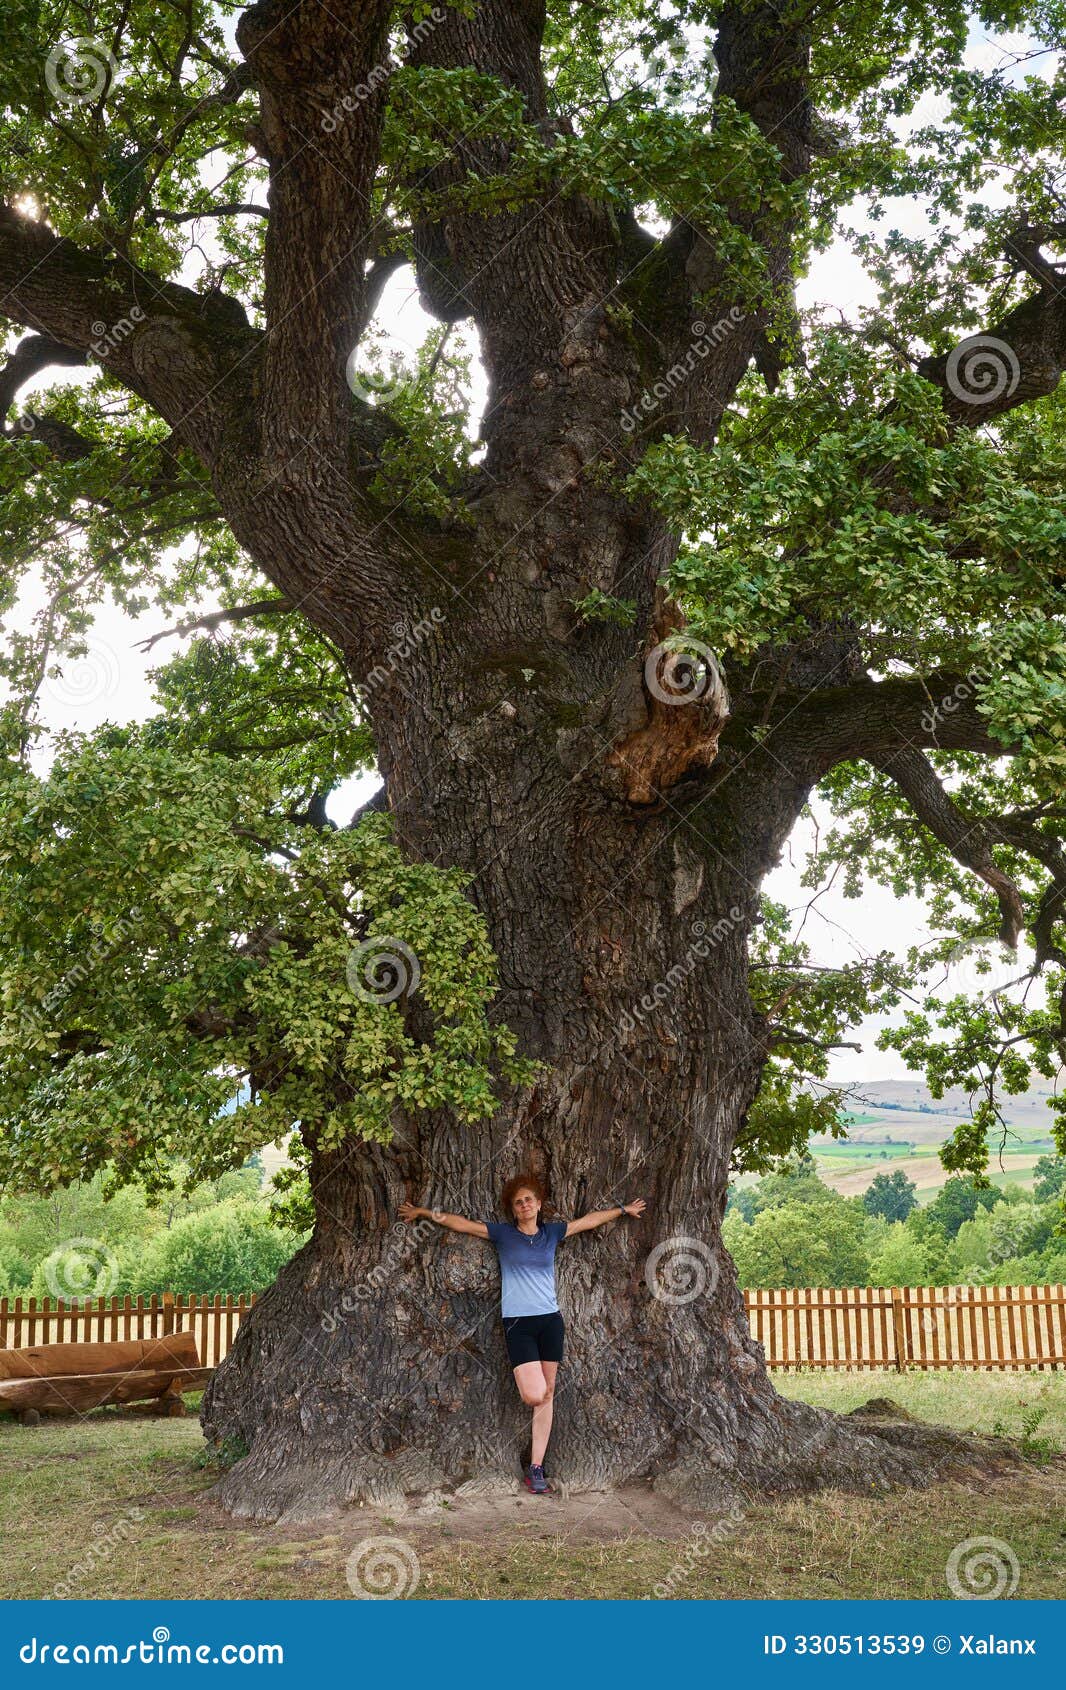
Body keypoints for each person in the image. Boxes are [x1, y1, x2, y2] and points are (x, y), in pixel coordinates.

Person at [398, 1174, 646, 1495]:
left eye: (529, 1199)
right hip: (518, 1323)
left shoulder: (551, 1233)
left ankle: (536, 1467)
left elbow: (587, 1222)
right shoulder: (503, 1235)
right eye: (519, 1202)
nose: (525, 1204)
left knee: (549, 1392)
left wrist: (623, 1210)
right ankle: (534, 1456)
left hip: (550, 1321)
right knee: (535, 1395)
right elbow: (462, 1224)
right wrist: (422, 1212)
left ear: (539, 1205)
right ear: (514, 1210)